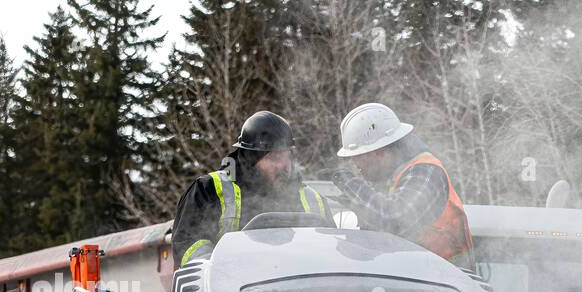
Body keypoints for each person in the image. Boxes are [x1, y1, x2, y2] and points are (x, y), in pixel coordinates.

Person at [172, 111, 332, 268]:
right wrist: (222, 269)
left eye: (287, 156)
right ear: (251, 159)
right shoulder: (208, 190)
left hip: (303, 290)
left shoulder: (314, 200)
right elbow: (188, 247)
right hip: (230, 290)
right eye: (274, 157)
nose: (284, 166)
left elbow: (331, 254)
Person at [325, 103, 474, 268]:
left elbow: (395, 219)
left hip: (448, 285)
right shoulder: (397, 178)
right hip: (430, 283)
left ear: (379, 151)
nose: (354, 162)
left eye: (358, 155)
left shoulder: (426, 172)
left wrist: (348, 182)